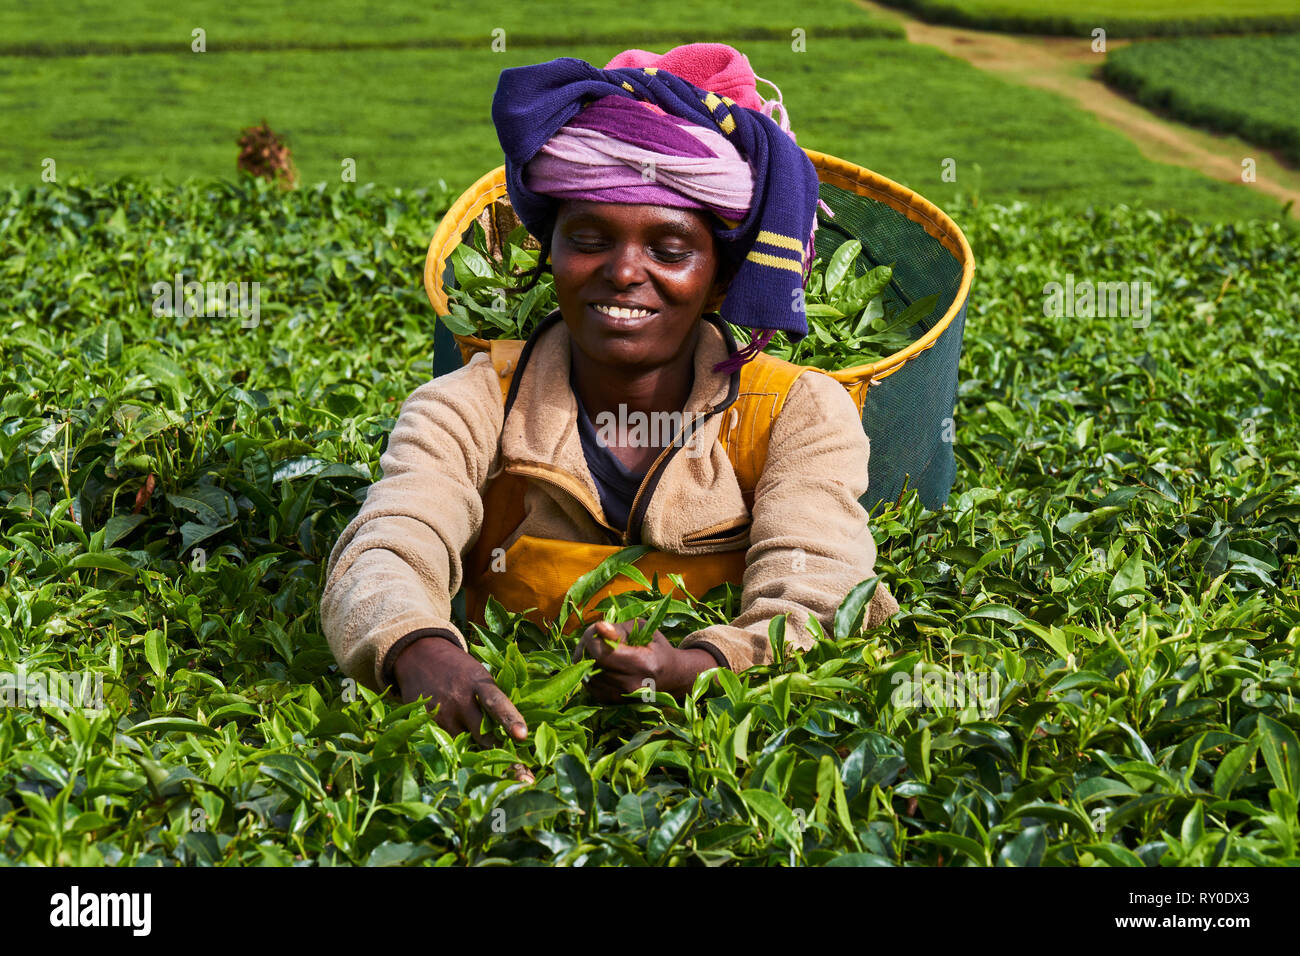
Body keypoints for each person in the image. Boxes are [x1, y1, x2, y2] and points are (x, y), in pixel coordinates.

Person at [320, 44, 899, 760]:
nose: (624, 272)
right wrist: (417, 648)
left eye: (671, 249)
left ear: (720, 279)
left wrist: (695, 667)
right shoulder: (470, 403)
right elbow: (386, 546)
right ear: (550, 253)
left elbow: (821, 593)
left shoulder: (799, 411)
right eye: (589, 239)